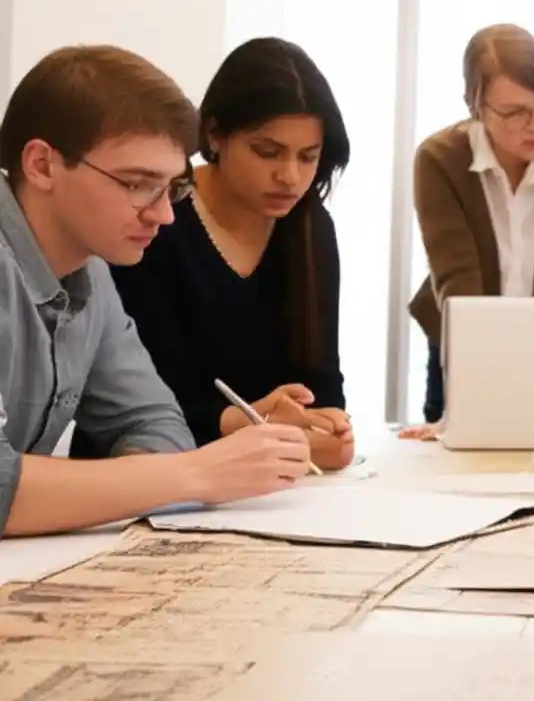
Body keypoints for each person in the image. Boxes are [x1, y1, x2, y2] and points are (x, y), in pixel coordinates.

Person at [0, 45, 312, 537]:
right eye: (136, 184)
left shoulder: (90, 270)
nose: (164, 215)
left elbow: (156, 424)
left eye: (172, 188)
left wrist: (170, 474)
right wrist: (195, 475)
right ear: (42, 165)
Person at [68, 38, 354, 471]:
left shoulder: (309, 226)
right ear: (216, 135)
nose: (290, 176)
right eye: (268, 152)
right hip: (141, 472)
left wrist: (329, 426)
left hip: (263, 478)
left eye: (308, 157)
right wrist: (254, 424)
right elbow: (134, 401)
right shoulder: (156, 220)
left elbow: (322, 381)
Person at [406, 24, 534, 431]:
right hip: (459, 339)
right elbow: (457, 283)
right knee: (456, 451)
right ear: (475, 106)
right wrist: (466, 404)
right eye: (515, 113)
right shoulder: (439, 160)